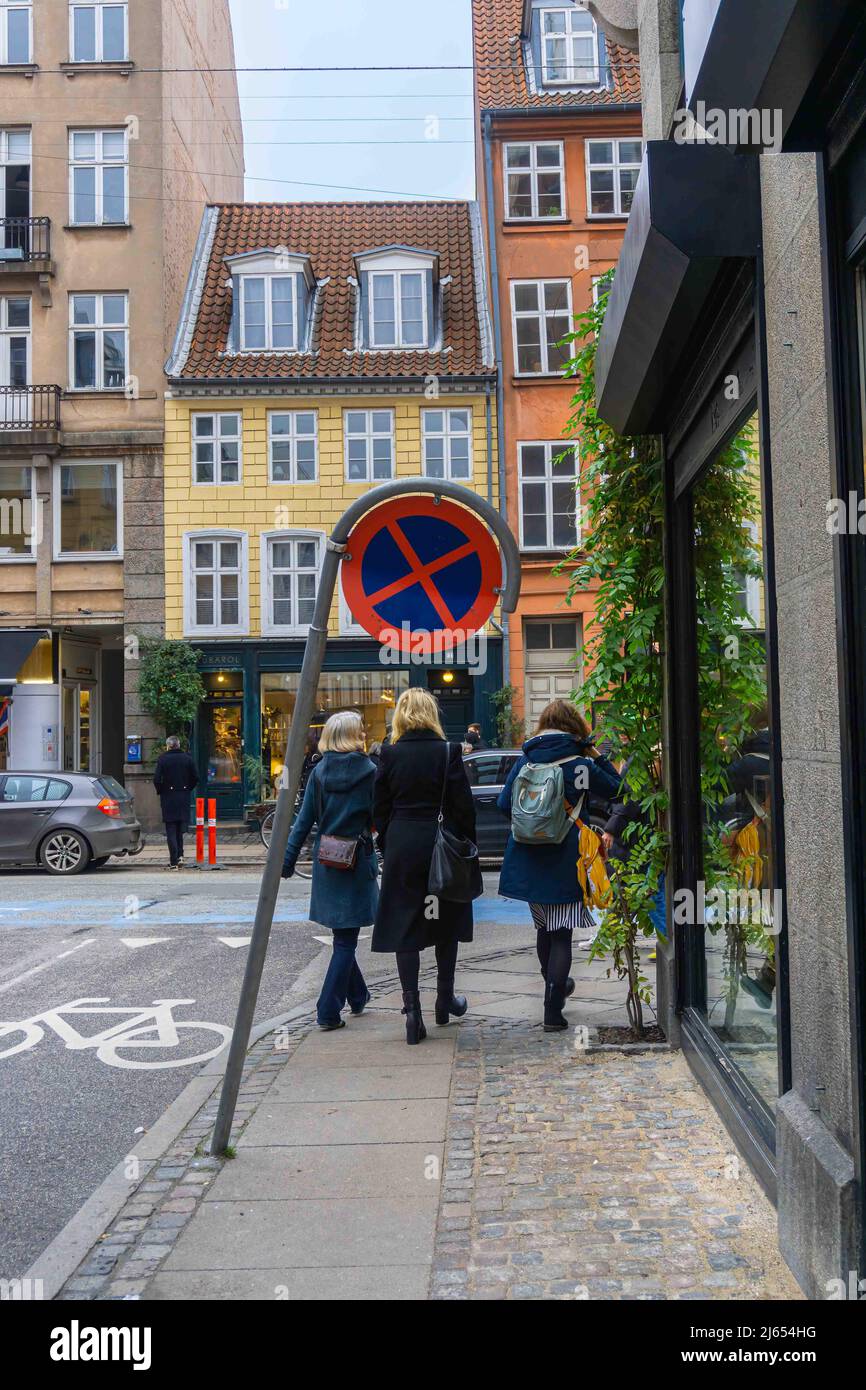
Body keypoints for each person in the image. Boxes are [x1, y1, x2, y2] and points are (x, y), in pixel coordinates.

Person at [497, 699, 621, 1031]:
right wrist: (596, 754)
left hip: (528, 855)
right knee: (562, 934)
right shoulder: (579, 763)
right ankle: (553, 1007)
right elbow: (618, 789)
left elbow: (503, 804)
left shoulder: (526, 757)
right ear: (575, 727)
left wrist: (533, 825)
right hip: (567, 855)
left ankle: (553, 985)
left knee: (544, 930)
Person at [372, 688, 476, 1045]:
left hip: (403, 843)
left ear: (400, 715)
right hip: (440, 840)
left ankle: (412, 1012)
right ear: (432, 713)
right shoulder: (448, 751)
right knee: (445, 922)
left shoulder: (388, 753)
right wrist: (465, 843)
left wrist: (387, 841)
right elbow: (463, 805)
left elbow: (379, 807)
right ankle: (444, 1000)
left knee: (406, 926)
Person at [282, 711, 378, 1031]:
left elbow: (303, 821)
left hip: (328, 859)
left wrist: (287, 860)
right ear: (354, 735)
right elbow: (381, 820)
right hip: (357, 858)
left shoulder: (320, 772)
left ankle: (359, 995)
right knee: (346, 939)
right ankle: (327, 1010)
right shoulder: (370, 772)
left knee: (343, 934)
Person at [152, 736, 199, 870]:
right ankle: (180, 855)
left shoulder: (163, 759)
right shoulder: (187, 758)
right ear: (178, 745)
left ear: (168, 746)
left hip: (168, 797)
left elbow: (156, 779)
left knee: (171, 829)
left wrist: (162, 790)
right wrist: (187, 789)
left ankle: (174, 861)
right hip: (183, 795)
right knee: (180, 828)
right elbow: (196, 777)